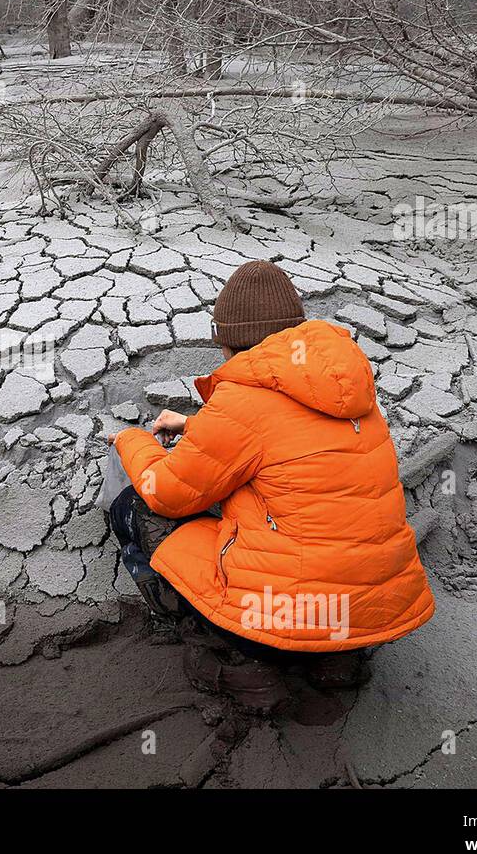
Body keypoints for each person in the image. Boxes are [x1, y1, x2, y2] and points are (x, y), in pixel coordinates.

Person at [106, 260, 435, 711]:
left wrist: (132, 440)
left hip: (285, 616)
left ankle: (241, 658)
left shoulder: (241, 399)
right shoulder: (349, 387)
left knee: (134, 508)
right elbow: (288, 438)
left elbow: (168, 491)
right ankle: (336, 662)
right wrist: (196, 426)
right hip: (367, 612)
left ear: (229, 342)